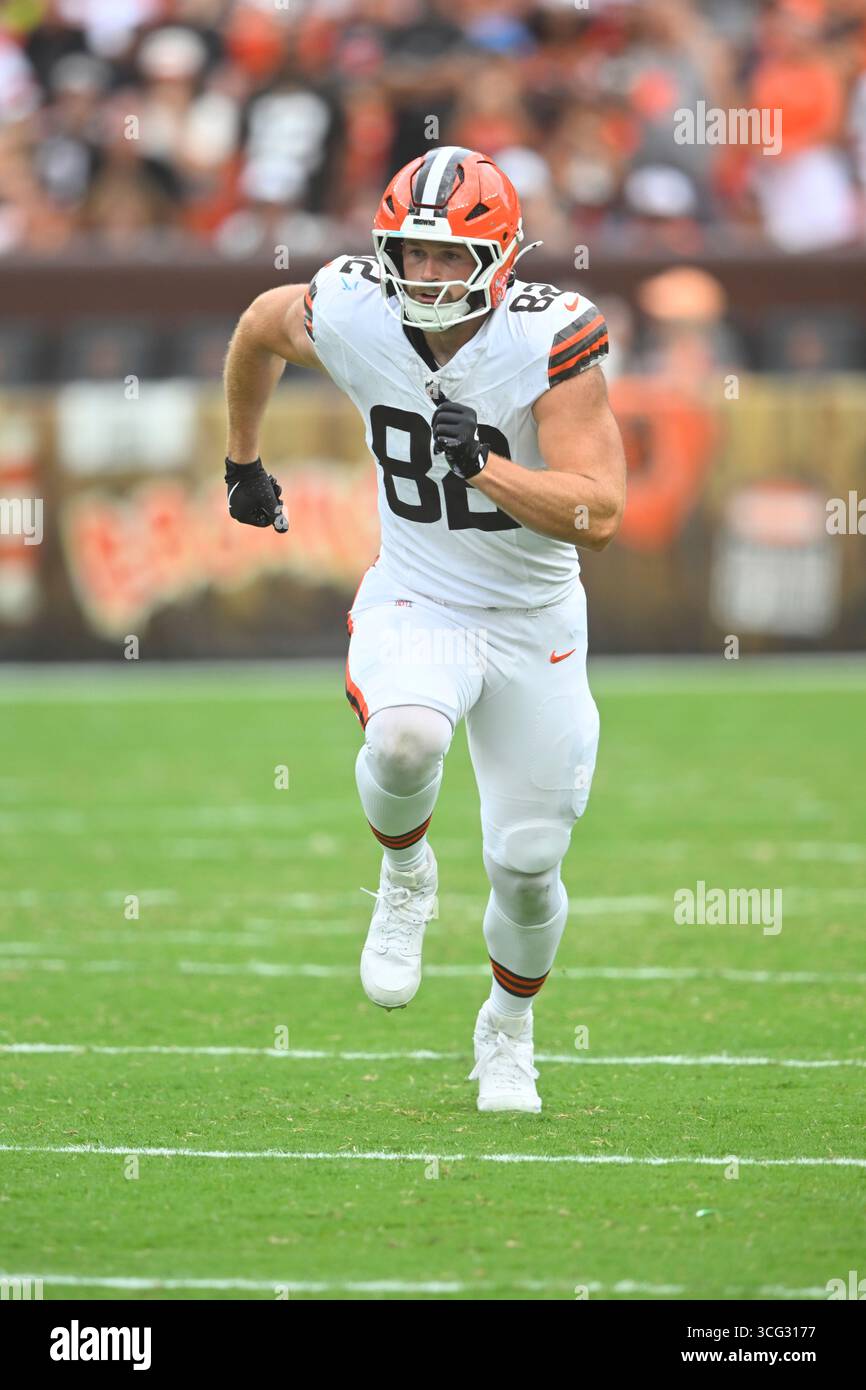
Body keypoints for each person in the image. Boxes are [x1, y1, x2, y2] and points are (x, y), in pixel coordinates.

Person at [222, 146, 626, 1113]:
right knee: (404, 739)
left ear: (502, 258)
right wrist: (241, 460)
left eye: (451, 257)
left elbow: (599, 515)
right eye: (412, 252)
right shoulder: (357, 308)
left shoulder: (551, 339)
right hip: (421, 594)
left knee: (528, 864)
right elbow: (256, 327)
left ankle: (508, 1029)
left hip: (534, 617)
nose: (429, 274)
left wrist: (484, 467)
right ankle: (405, 872)